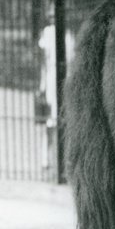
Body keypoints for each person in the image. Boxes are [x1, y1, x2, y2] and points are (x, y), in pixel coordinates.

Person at [38, 17, 76, 174]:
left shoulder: (57, 34)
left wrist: (42, 84)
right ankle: (55, 157)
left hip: (56, 79)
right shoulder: (66, 34)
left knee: (53, 119)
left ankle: (49, 157)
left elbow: (43, 61)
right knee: (58, 118)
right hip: (61, 79)